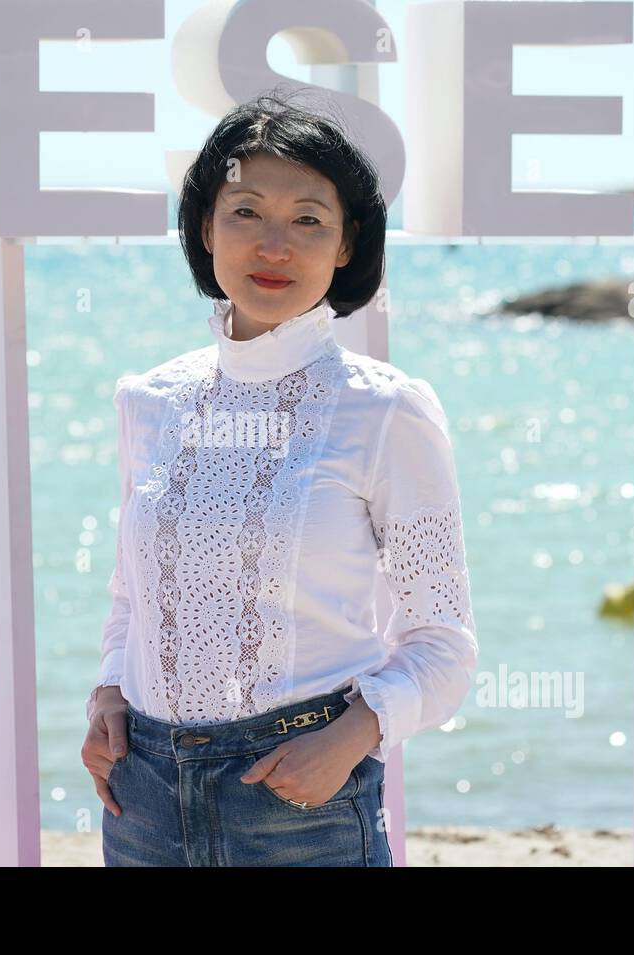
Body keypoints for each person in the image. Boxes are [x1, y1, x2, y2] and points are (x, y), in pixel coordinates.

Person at [81, 91, 478, 867]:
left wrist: (350, 740)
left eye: (307, 220)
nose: (274, 246)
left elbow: (443, 644)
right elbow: (132, 595)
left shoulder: (386, 410)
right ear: (204, 227)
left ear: (345, 244)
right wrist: (107, 695)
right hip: (142, 799)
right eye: (245, 213)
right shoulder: (149, 399)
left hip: (301, 800)